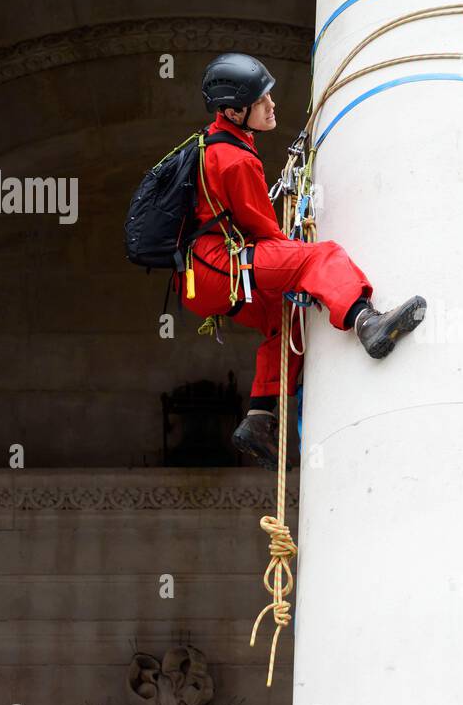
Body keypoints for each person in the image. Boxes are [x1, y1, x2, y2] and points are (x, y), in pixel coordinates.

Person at [182, 53, 426, 468]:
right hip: (223, 267)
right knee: (319, 257)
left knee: (287, 317)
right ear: (235, 111)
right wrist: (298, 258)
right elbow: (266, 233)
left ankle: (259, 416)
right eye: (262, 101)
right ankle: (367, 322)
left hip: (203, 279)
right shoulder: (236, 159)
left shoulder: (213, 145)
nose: (272, 105)